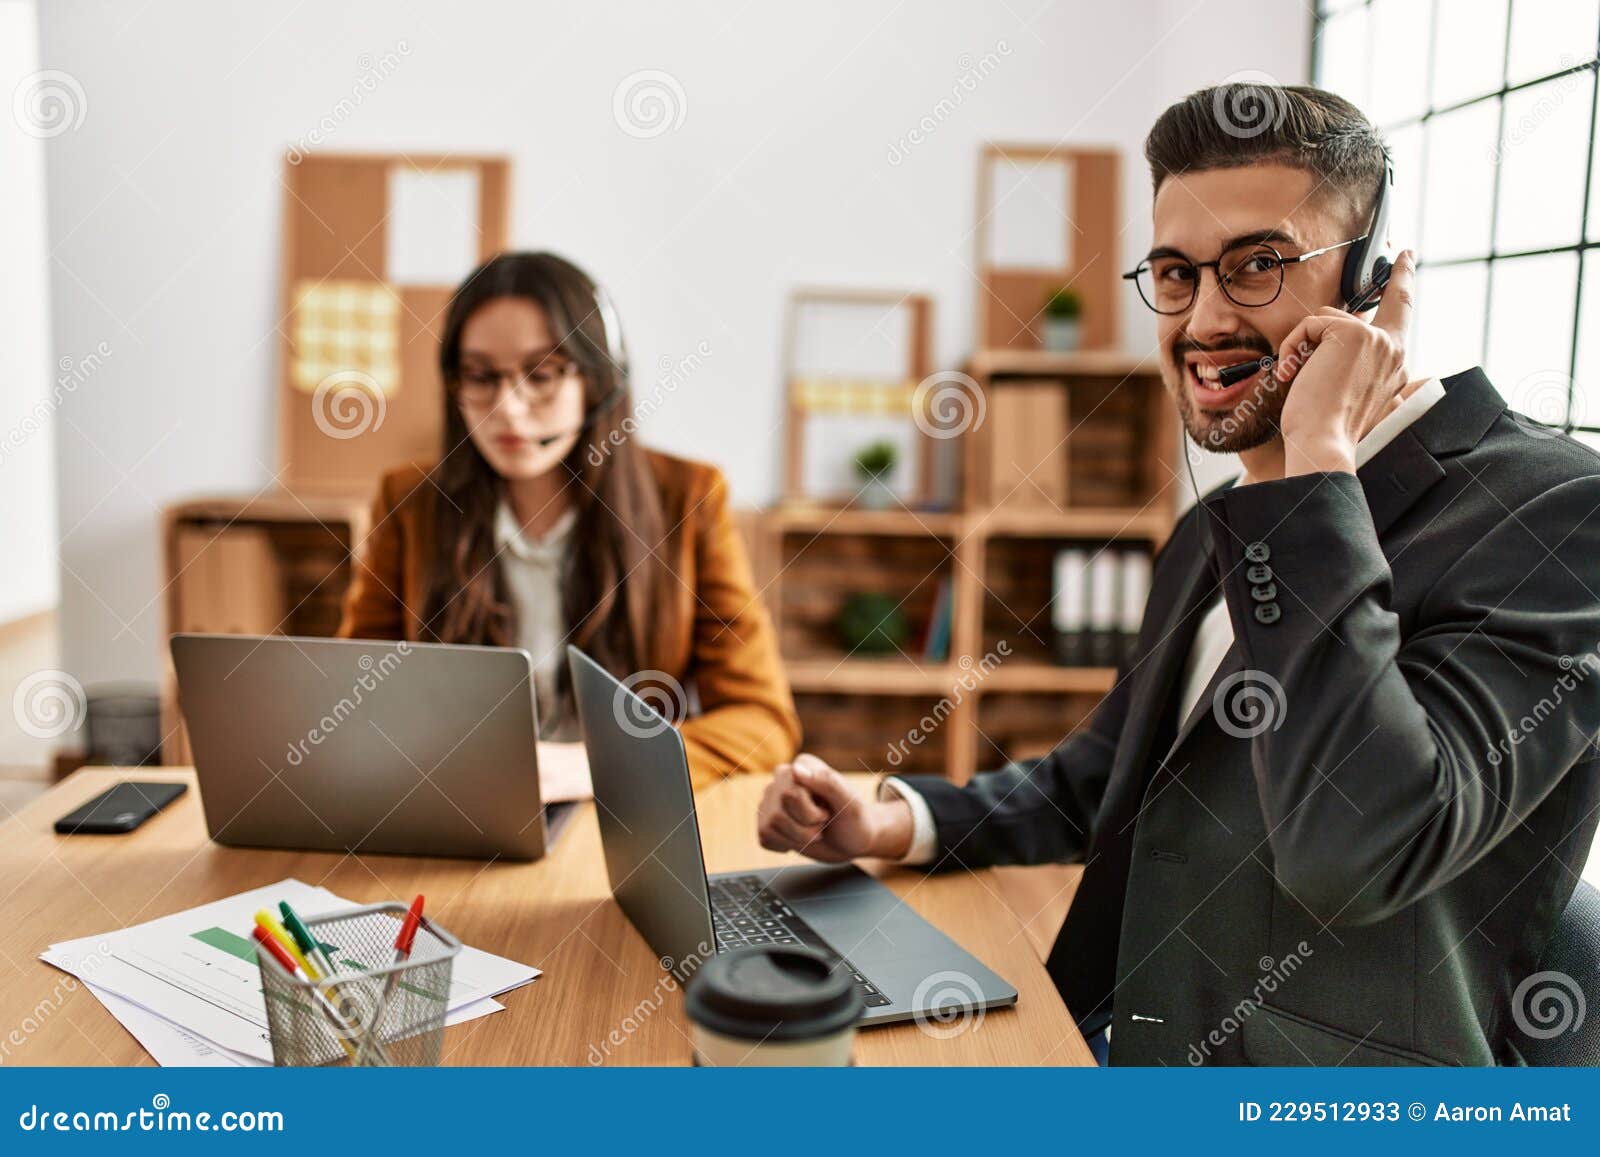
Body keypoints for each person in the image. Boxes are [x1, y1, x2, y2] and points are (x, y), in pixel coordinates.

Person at [757, 84, 1600, 1066]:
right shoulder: (1215, 525)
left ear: (1373, 284)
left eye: (1255, 266)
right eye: (1172, 271)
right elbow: (1104, 778)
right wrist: (890, 817)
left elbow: (1361, 850)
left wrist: (1320, 454)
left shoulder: (1555, 512)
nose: (1201, 320)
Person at [338, 251, 800, 798]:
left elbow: (762, 720)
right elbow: (355, 696)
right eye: (481, 376)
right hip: (460, 807)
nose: (508, 409)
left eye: (544, 373)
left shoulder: (689, 498)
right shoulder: (410, 500)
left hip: (621, 809)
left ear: (599, 378)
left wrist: (600, 765)